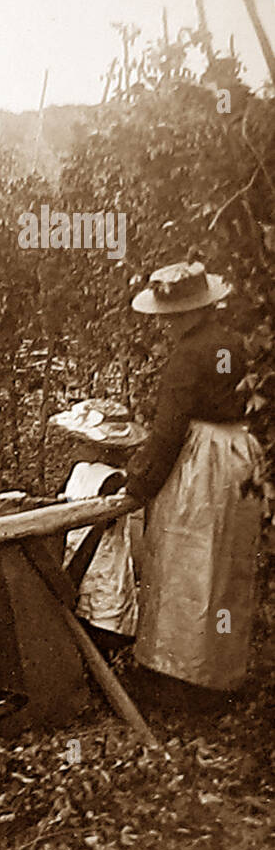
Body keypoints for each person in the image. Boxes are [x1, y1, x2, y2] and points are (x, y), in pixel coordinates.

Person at [124, 262, 263, 694]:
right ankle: (219, 671)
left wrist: (139, 484)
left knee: (189, 560)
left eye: (170, 316)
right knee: (226, 566)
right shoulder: (233, 343)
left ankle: (180, 676)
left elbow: (169, 431)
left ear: (190, 311)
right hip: (241, 455)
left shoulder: (188, 356)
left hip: (204, 463)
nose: (165, 325)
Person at [48, 398, 149, 650]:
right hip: (75, 551)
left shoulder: (116, 481)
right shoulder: (80, 470)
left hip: (100, 559)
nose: (76, 446)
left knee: (99, 622)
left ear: (102, 447)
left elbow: (118, 527)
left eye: (83, 442)